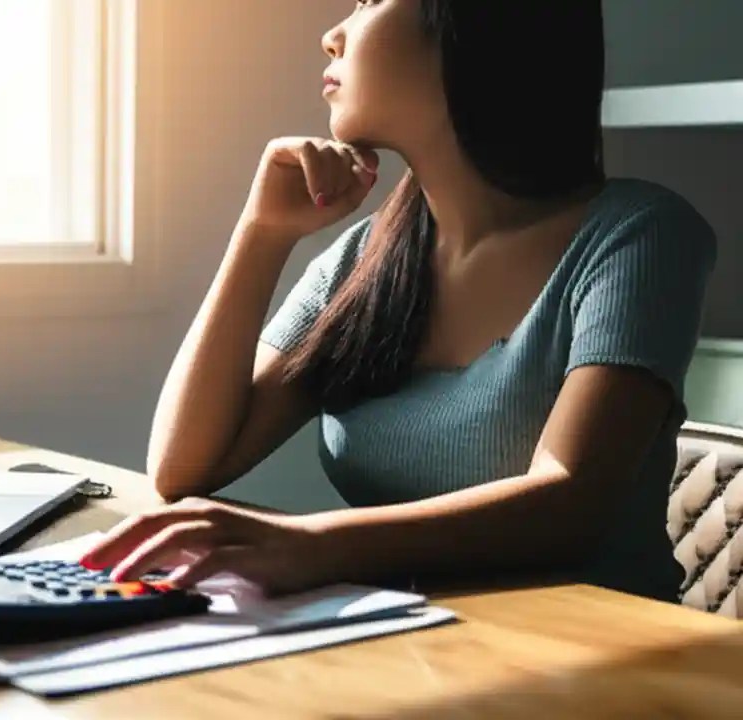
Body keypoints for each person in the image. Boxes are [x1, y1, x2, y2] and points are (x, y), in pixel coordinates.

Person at [81, 0, 716, 602]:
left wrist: (309, 543)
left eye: (369, 0)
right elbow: (184, 465)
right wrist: (261, 233)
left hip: (605, 668)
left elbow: (568, 502)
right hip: (410, 642)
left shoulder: (639, 235)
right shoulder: (370, 258)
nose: (332, 33)